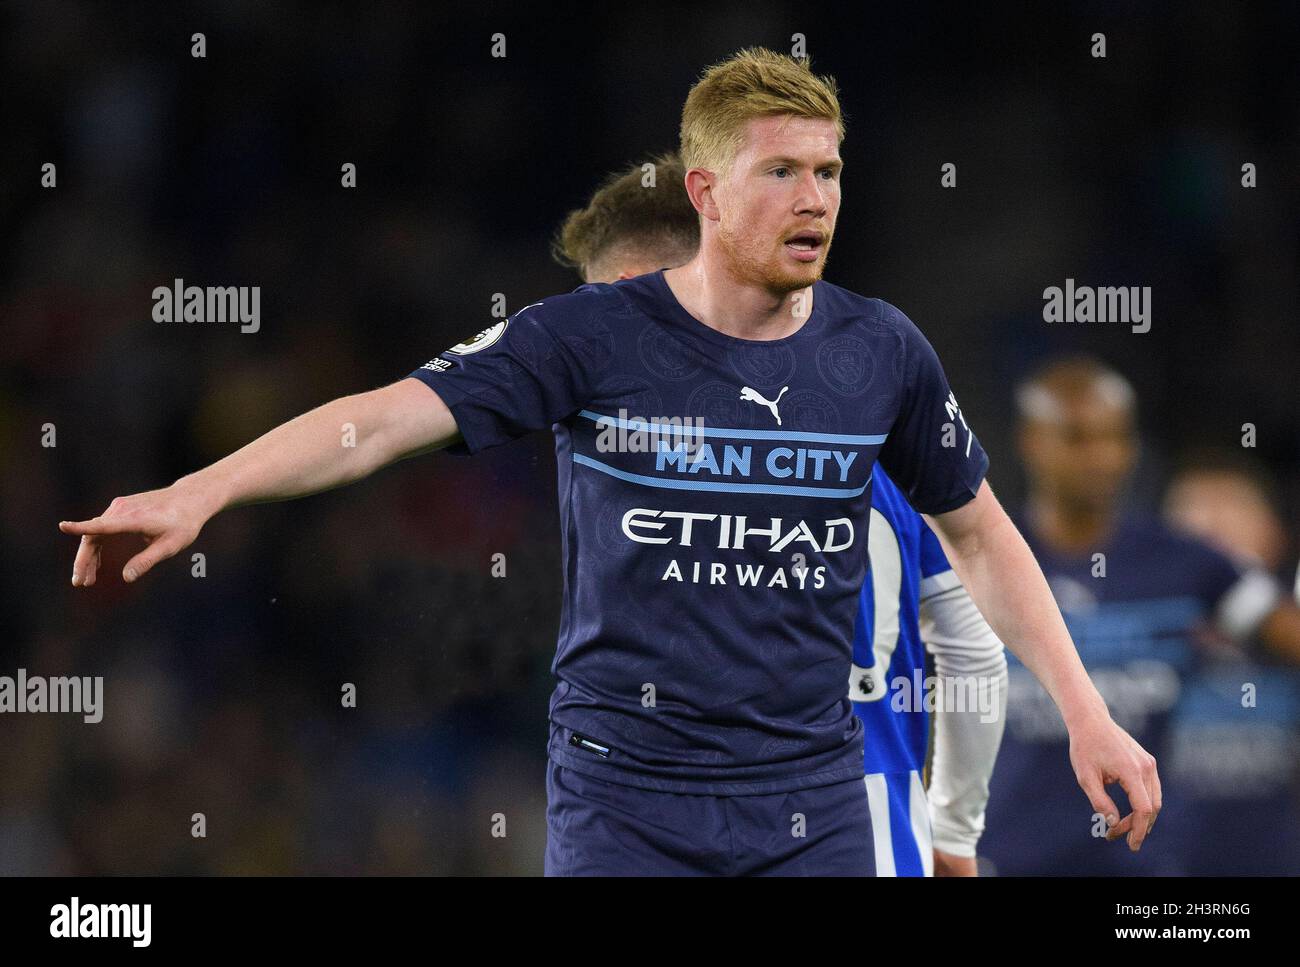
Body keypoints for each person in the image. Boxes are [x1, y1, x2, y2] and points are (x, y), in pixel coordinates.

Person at [60, 48, 1157, 875]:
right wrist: (198, 491)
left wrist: (1085, 711)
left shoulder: (882, 352)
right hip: (624, 799)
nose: (815, 198)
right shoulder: (585, 339)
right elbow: (383, 420)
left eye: (827, 171)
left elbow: (978, 534)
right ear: (705, 191)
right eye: (781, 171)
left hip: (808, 797)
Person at [554, 152, 1008, 877]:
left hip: (787, 816)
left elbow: (971, 638)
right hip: (859, 823)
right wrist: (954, 833)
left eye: (614, 309)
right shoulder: (881, 442)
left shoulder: (651, 466)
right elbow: (973, 640)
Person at [980, 355, 1300, 874]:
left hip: (1142, 866)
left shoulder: (1188, 564)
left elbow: (1285, 632)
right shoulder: (980, 560)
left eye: (1114, 437)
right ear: (1032, 441)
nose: (1101, 457)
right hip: (1006, 857)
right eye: (1078, 438)